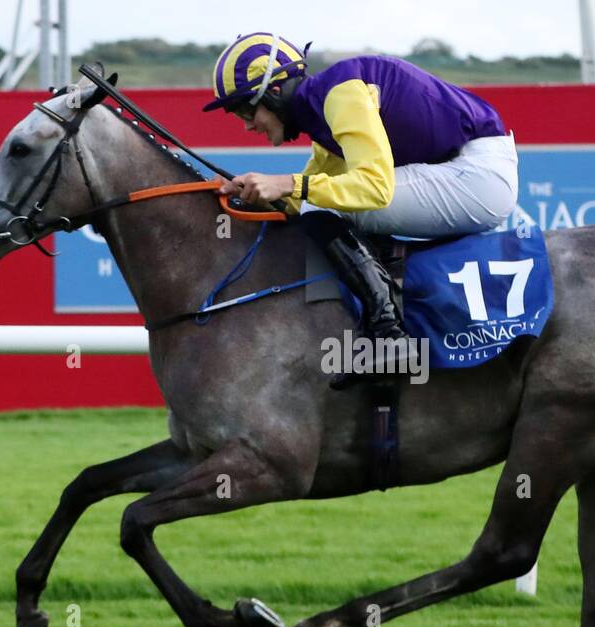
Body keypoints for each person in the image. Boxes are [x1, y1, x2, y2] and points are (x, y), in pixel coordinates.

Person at [202, 32, 519, 385]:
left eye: (246, 110)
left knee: (321, 205)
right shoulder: (322, 113)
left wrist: (288, 184)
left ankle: (388, 336)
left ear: (274, 91)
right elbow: (307, 194)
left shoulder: (341, 94)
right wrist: (258, 194)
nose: (247, 125)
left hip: (478, 175)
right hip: (466, 169)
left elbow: (373, 188)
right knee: (316, 203)